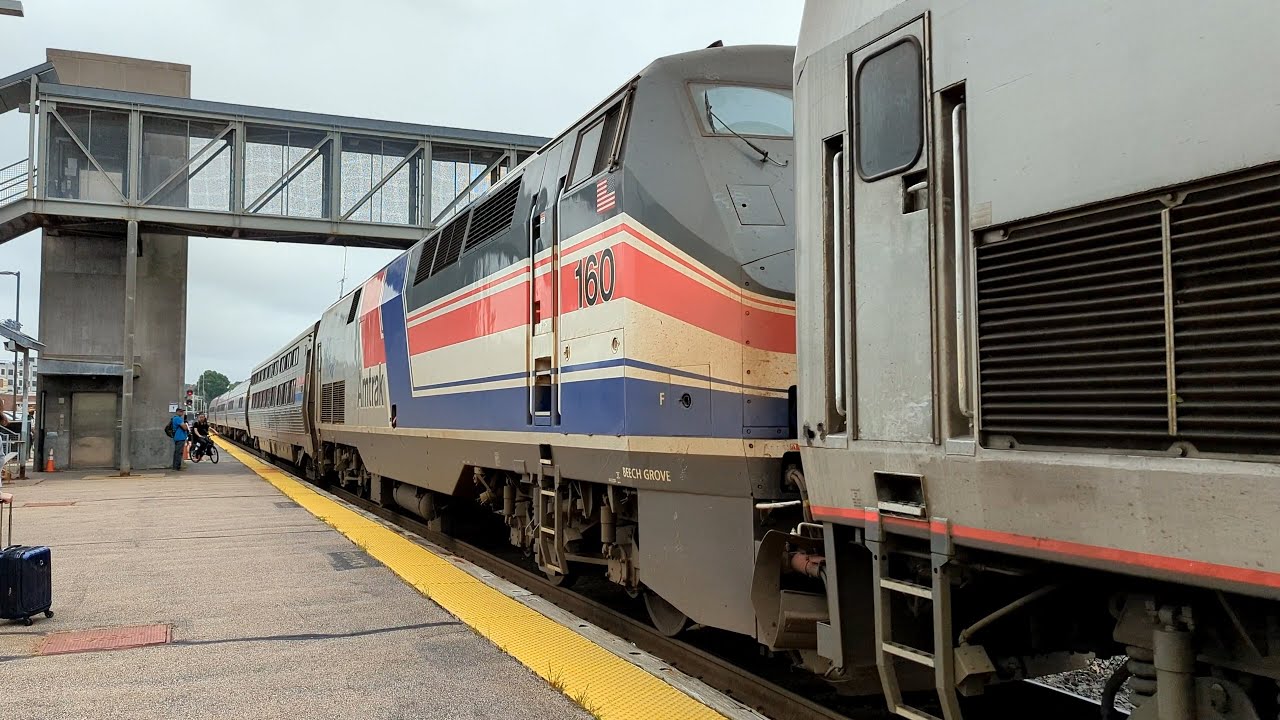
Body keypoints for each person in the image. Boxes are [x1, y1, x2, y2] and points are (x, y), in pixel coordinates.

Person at [170, 407, 189, 471]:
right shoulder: (178, 419)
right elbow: (185, 428)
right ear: (177, 412)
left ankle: (176, 466)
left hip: (177, 437)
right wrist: (185, 425)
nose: (182, 413)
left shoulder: (175, 418)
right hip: (180, 437)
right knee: (179, 453)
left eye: (182, 411)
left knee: (177, 452)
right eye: (181, 411)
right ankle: (176, 467)